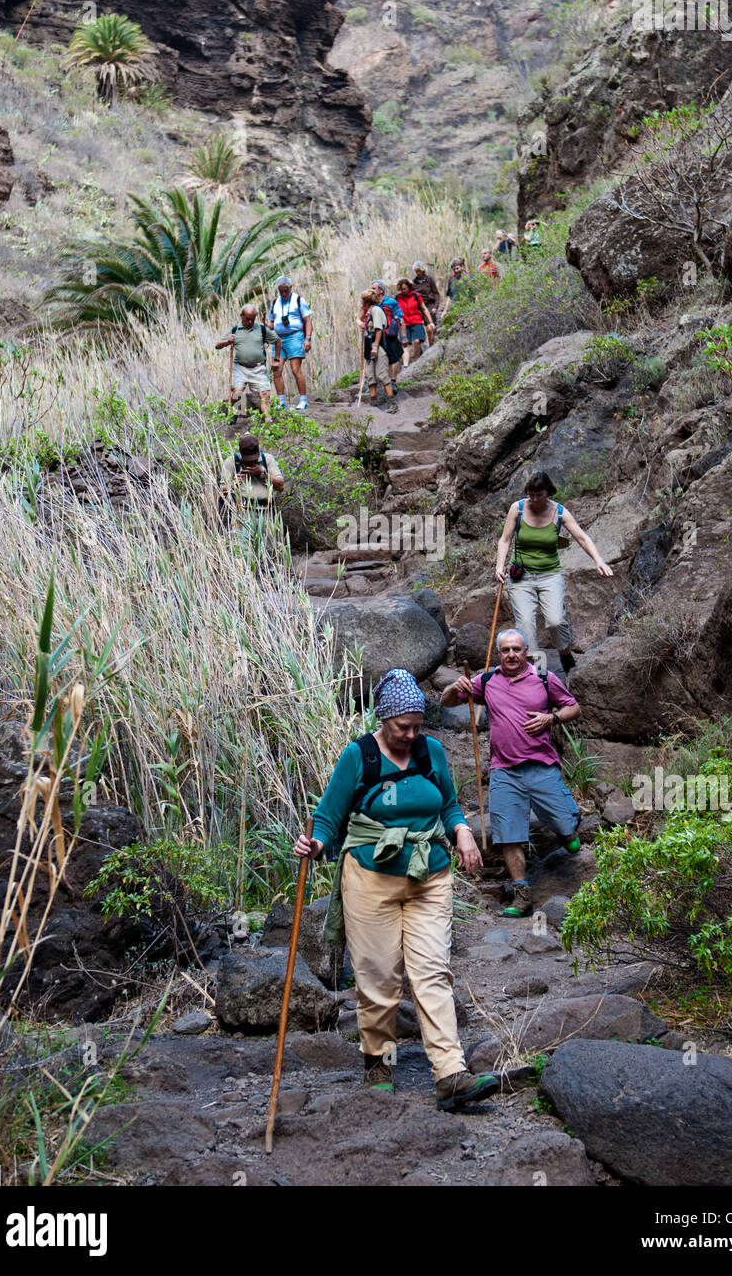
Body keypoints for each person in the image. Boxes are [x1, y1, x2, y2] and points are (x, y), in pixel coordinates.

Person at [294, 668, 500, 1111]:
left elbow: (446, 803)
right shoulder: (359, 756)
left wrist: (462, 831)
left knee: (432, 973)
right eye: (401, 727)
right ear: (382, 720)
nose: (409, 734)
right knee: (379, 979)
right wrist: (316, 842)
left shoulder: (431, 751)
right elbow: (330, 815)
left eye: (416, 725)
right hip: (370, 877)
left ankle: (450, 1074)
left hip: (430, 875)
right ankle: (378, 1062)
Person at [440, 630, 582, 919]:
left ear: (526, 650)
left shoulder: (543, 679)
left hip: (541, 765)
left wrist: (550, 718)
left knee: (563, 822)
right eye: (505, 650)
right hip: (504, 771)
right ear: (498, 653)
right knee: (508, 836)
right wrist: (455, 687)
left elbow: (573, 707)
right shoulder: (487, 681)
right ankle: (522, 895)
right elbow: (447, 702)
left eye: (516, 649)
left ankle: (566, 830)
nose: (511, 655)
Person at [495, 470, 613, 676]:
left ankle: (565, 655)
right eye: (531, 494)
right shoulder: (519, 508)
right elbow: (504, 540)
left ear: (548, 492)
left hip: (550, 574)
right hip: (520, 577)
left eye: (539, 494)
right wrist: (499, 566)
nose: (535, 499)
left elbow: (582, 538)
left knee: (556, 620)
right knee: (525, 626)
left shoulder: (559, 512)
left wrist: (598, 560)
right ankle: (536, 674)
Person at [215, 304, 272, 420]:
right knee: (238, 393)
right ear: (241, 316)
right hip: (240, 367)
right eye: (247, 318)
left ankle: (268, 420)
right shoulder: (235, 330)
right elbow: (217, 345)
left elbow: (277, 340)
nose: (250, 321)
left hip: (258, 368)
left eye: (253, 318)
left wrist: (276, 359)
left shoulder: (261, 329)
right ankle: (238, 418)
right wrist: (227, 341)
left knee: (264, 394)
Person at [268, 275, 312, 412]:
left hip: (295, 337)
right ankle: (281, 400)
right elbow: (271, 322)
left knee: (295, 369)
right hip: (278, 339)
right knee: (276, 370)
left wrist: (308, 338)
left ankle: (303, 400)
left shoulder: (298, 300)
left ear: (290, 288)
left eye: (286, 290)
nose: (284, 293)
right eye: (281, 291)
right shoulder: (275, 302)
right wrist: (267, 327)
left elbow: (308, 320)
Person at [219, 431, 283, 518]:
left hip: (266, 513)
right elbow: (221, 489)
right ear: (240, 452)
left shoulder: (267, 459)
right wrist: (233, 483)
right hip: (241, 514)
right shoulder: (232, 462)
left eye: (253, 458)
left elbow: (280, 487)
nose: (250, 461)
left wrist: (262, 474)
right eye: (247, 459)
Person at [361, 288, 398, 414]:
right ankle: (374, 403)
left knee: (382, 375)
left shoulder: (376, 310)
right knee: (370, 376)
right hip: (369, 345)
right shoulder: (369, 311)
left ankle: (392, 405)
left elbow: (378, 329)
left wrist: (375, 346)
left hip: (378, 346)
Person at [371, 279, 404, 393]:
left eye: (374, 288)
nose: (372, 290)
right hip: (375, 335)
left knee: (393, 358)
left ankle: (393, 381)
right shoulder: (370, 302)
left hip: (389, 334)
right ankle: (373, 385)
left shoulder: (391, 302)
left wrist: (402, 335)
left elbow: (400, 316)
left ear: (381, 290)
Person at [395, 277, 434, 365]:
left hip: (416, 321)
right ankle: (406, 365)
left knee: (417, 341)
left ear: (409, 287)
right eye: (401, 289)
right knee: (405, 344)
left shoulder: (416, 295)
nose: (403, 290)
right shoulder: (397, 298)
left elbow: (424, 309)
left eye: (404, 288)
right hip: (404, 324)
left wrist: (430, 322)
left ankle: (417, 361)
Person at [412, 260, 441, 342]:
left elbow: (436, 294)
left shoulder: (429, 280)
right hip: (419, 307)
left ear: (423, 270)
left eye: (419, 271)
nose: (418, 273)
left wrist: (435, 307)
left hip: (429, 305)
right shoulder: (414, 282)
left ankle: (433, 344)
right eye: (416, 271)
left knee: (430, 327)